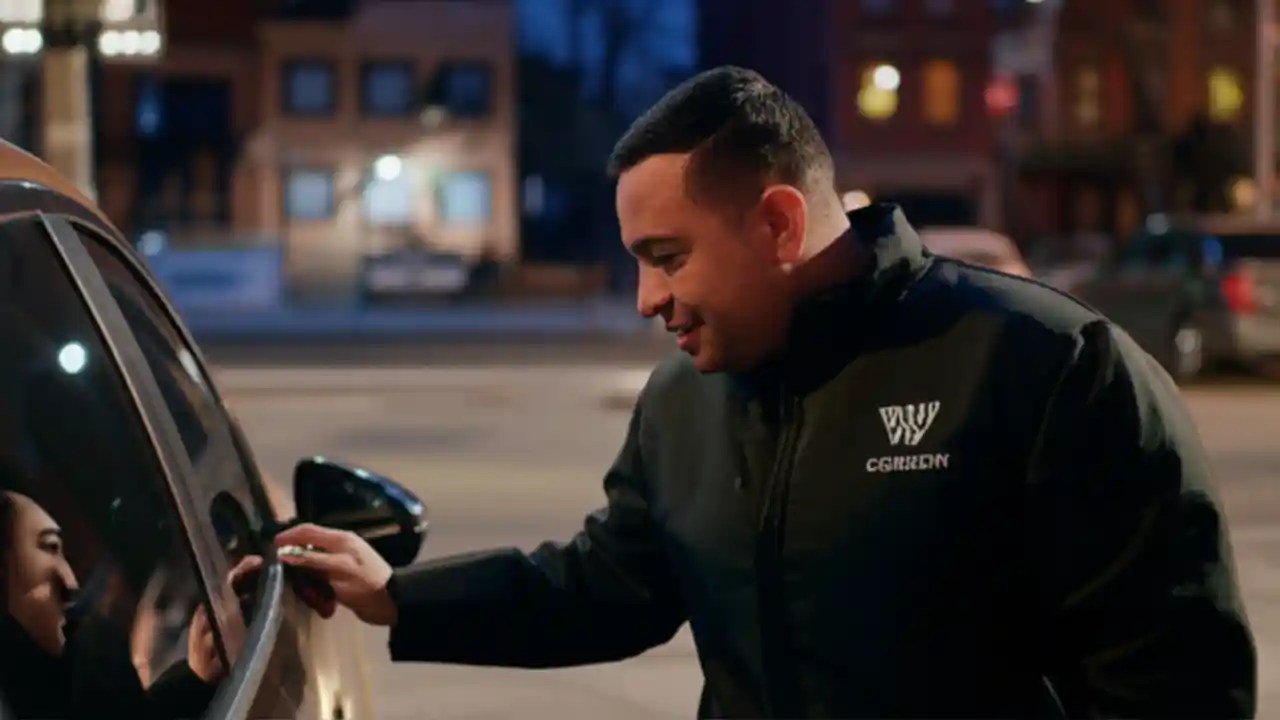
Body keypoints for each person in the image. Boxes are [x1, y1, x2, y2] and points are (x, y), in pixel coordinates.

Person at [274, 67, 1257, 718]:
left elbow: (1172, 683)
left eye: (666, 258)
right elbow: (607, 587)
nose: (645, 299)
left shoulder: (1043, 366)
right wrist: (400, 597)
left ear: (780, 224)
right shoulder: (680, 402)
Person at [0, 488, 224, 719]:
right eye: (48, 547)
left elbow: (137, 713)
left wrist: (195, 678)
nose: (69, 580)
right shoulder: (85, 653)